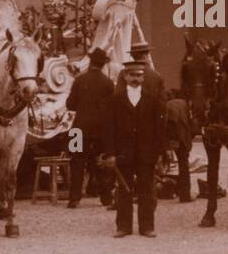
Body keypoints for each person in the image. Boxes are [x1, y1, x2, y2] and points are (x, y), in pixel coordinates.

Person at [100, 55, 166, 238]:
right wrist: (110, 154)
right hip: (123, 153)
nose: (135, 79)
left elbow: (159, 128)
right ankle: (123, 226)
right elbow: (109, 129)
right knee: (124, 190)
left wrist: (159, 152)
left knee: (146, 189)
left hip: (146, 153)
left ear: (143, 77)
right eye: (131, 75)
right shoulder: (115, 100)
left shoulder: (152, 100)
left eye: (139, 75)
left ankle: (147, 227)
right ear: (125, 77)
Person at [66, 47, 115, 209]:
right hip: (101, 131)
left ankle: (74, 198)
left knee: (76, 162)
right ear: (102, 65)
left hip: (78, 130)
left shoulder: (79, 80)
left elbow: (70, 105)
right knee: (100, 163)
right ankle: (106, 197)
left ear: (91, 62)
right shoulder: (108, 84)